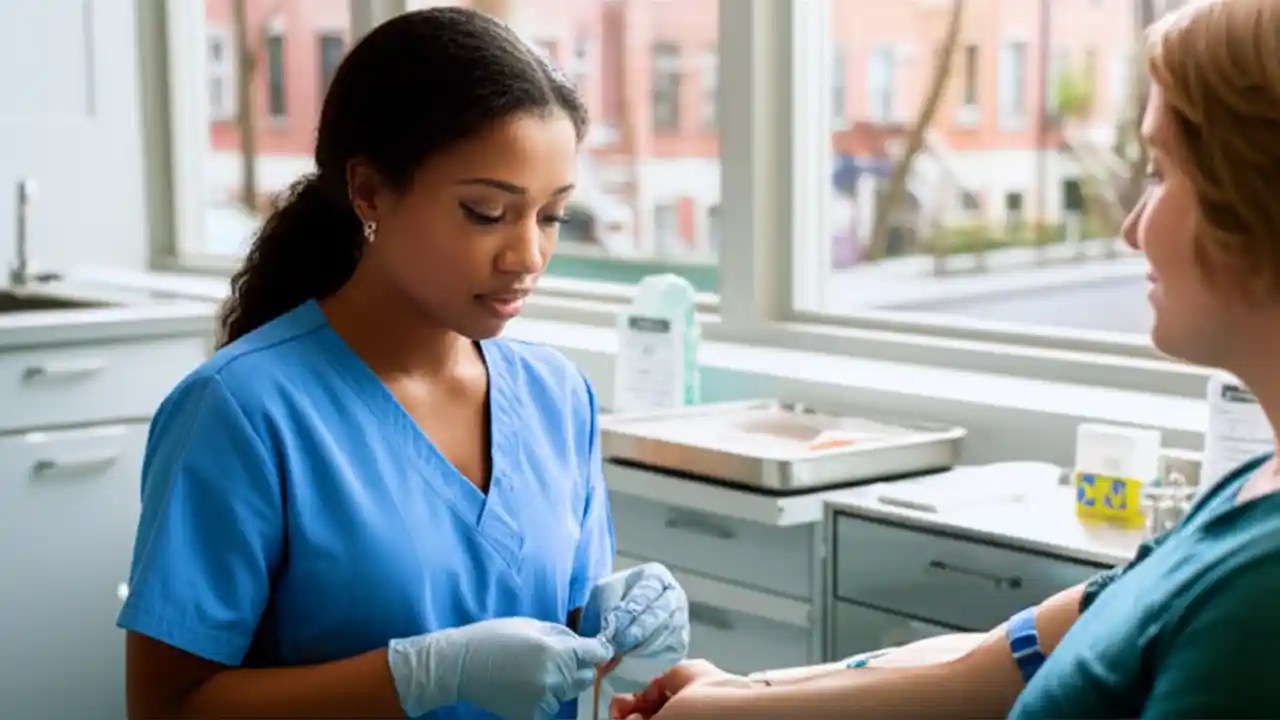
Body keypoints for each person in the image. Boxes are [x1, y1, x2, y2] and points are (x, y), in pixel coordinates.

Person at [613, 0, 1280, 717]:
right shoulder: (1245, 491)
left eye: (1157, 173)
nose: (1129, 228)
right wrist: (744, 697)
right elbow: (993, 661)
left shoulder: (1261, 595)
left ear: (1256, 191)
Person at [116, 8, 688, 720]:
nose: (528, 257)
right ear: (370, 193)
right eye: (485, 212)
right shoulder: (242, 411)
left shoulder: (556, 395)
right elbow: (168, 708)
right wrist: (423, 675)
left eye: (550, 216)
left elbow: (562, 645)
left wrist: (619, 625)